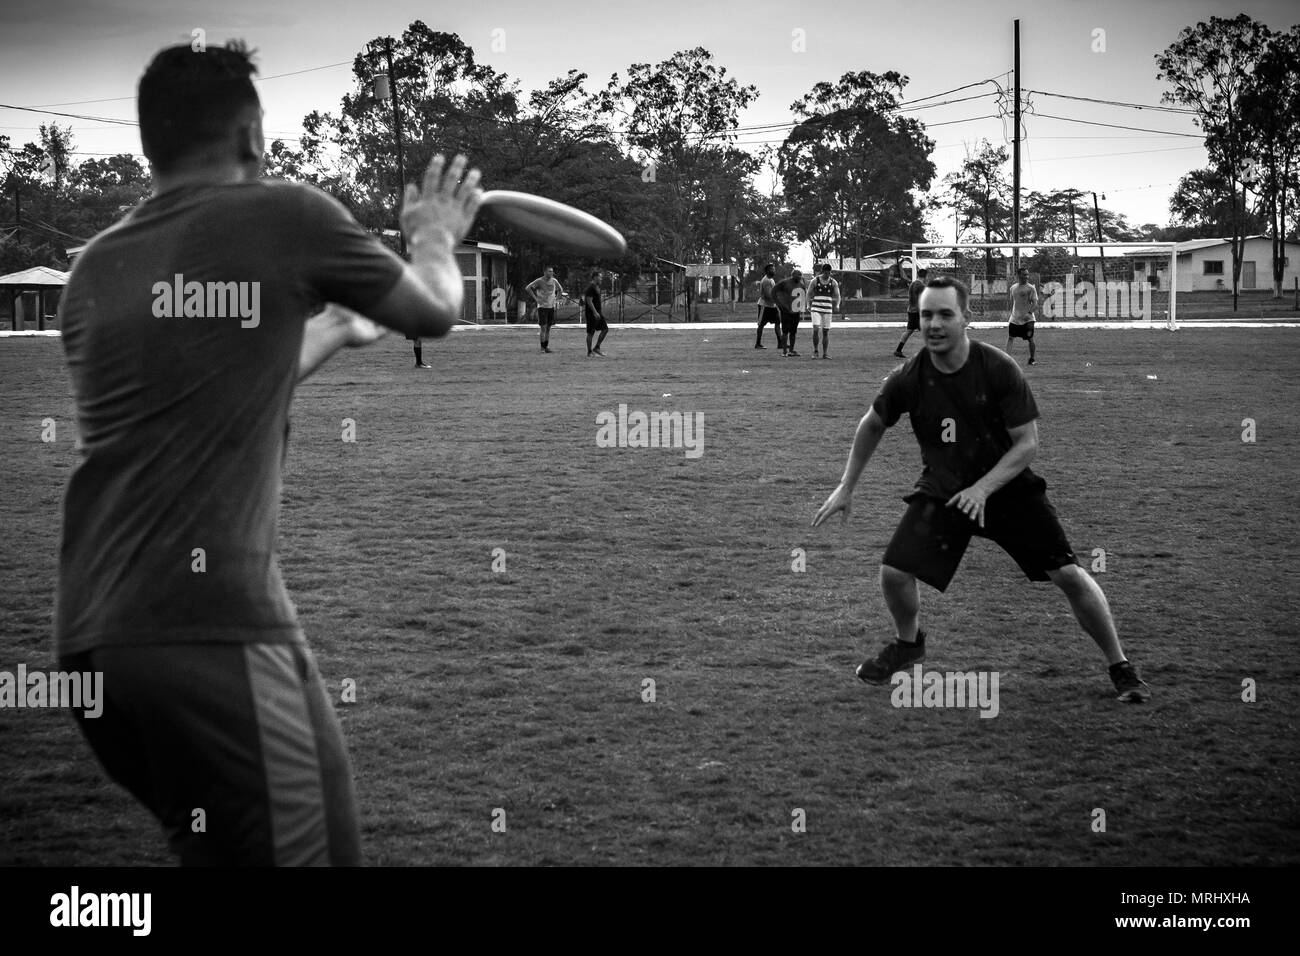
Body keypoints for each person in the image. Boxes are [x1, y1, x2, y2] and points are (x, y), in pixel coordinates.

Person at [53, 41, 482, 865]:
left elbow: (199, 393)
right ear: (253, 134)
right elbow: (433, 309)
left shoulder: (96, 269)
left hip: (93, 642)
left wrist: (331, 327)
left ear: (151, 143)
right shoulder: (282, 213)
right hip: (209, 631)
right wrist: (431, 236)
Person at [812, 276, 1151, 703]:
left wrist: (984, 488)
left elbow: (1027, 443)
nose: (933, 324)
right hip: (944, 490)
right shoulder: (909, 377)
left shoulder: (997, 368)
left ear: (966, 318)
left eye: (945, 314)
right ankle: (909, 643)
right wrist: (846, 486)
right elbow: (873, 423)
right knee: (895, 573)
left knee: (1068, 574)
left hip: (1008, 489)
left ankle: (1121, 667)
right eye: (927, 314)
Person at [525, 266, 566, 353]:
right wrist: (536, 299)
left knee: (548, 328)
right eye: (549, 271)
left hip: (551, 307)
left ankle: (546, 346)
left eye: (552, 271)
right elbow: (528, 288)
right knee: (543, 327)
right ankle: (542, 348)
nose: (551, 273)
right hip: (542, 307)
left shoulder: (554, 281)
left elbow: (560, 289)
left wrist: (556, 299)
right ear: (544, 272)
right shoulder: (539, 281)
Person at [1006, 266, 1038, 365]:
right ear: (1018, 275)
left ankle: (1032, 359)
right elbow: (1012, 302)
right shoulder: (1013, 288)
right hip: (1015, 319)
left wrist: (1029, 313)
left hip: (1028, 319)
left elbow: (1035, 303)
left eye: (1027, 274)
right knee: (1010, 338)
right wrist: (1012, 313)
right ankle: (1007, 359)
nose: (1027, 276)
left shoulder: (1031, 288)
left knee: (1030, 338)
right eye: (1024, 274)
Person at [808, 263, 840, 359]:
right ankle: (815, 350)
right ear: (822, 272)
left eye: (829, 273)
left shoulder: (833, 282)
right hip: (816, 308)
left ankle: (825, 353)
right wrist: (808, 305)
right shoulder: (815, 280)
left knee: (825, 331)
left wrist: (837, 305)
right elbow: (808, 293)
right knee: (816, 329)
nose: (827, 275)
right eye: (825, 273)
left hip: (827, 309)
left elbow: (838, 295)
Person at [893, 267, 927, 358]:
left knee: (909, 331)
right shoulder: (921, 286)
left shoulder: (912, 284)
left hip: (911, 310)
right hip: (917, 311)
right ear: (925, 276)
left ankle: (898, 350)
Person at [773, 268, 806, 357]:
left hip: (796, 310)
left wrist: (801, 307)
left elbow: (803, 296)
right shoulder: (784, 282)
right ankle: (784, 351)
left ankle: (791, 350)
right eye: (798, 276)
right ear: (793, 276)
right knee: (785, 331)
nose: (799, 278)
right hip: (786, 310)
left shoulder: (801, 285)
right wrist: (779, 304)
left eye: (800, 277)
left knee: (793, 331)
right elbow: (773, 291)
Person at [754, 263, 781, 350]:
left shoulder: (771, 280)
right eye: (771, 269)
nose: (773, 270)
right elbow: (768, 296)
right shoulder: (766, 281)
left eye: (774, 269)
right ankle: (758, 344)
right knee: (761, 325)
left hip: (772, 306)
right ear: (767, 271)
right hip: (764, 306)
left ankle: (780, 343)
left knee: (777, 322)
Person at [584, 269, 609, 356]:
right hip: (592, 313)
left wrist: (599, 312)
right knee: (591, 332)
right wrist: (595, 312)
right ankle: (589, 352)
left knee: (605, 329)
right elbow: (589, 301)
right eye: (600, 277)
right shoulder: (590, 288)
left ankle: (597, 347)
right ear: (595, 277)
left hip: (598, 313)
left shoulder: (597, 287)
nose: (601, 279)